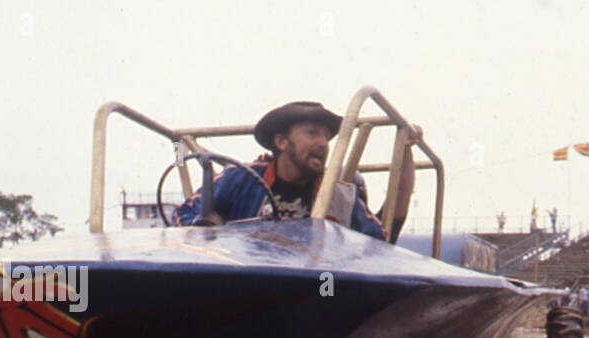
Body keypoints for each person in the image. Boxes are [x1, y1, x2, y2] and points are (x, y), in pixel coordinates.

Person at [173, 100, 417, 242]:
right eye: (312, 133)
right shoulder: (241, 179)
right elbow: (184, 213)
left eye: (326, 136)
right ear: (281, 142)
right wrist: (208, 231)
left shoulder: (342, 197)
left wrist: (405, 148)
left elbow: (381, 240)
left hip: (315, 297)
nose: (323, 143)